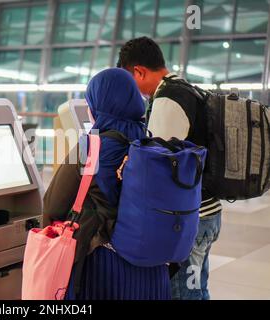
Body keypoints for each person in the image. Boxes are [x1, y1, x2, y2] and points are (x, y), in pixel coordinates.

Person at [43, 68, 171, 300]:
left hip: (107, 269)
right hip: (155, 271)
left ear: (97, 107)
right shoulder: (152, 144)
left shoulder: (90, 147)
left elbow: (53, 206)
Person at [118, 36, 222, 300]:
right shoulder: (187, 88)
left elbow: (155, 163)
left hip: (190, 219)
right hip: (206, 212)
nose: (135, 92)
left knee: (182, 294)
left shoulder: (168, 98)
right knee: (197, 289)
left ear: (139, 71)